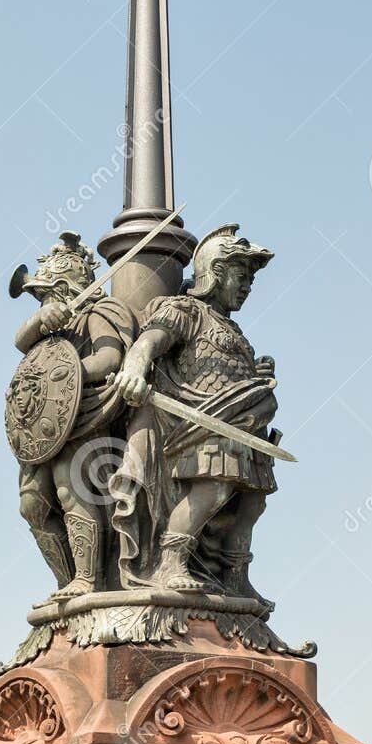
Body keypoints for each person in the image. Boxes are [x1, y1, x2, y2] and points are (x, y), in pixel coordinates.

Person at [112, 224, 277, 598]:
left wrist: (258, 375)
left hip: (245, 428)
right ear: (215, 272)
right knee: (212, 490)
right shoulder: (186, 310)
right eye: (242, 273)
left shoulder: (232, 329)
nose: (248, 284)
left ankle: (235, 573)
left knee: (252, 503)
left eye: (251, 276)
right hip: (203, 425)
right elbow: (148, 342)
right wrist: (134, 369)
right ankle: (172, 561)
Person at [8, 232, 135, 598]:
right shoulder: (48, 331)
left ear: (66, 289)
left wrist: (62, 376)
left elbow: (109, 359)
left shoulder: (97, 314)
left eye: (44, 295)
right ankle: (65, 580)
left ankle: (88, 579)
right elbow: (20, 342)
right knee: (33, 504)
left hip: (82, 415)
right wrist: (41, 319)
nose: (40, 303)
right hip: (45, 426)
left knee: (71, 490)